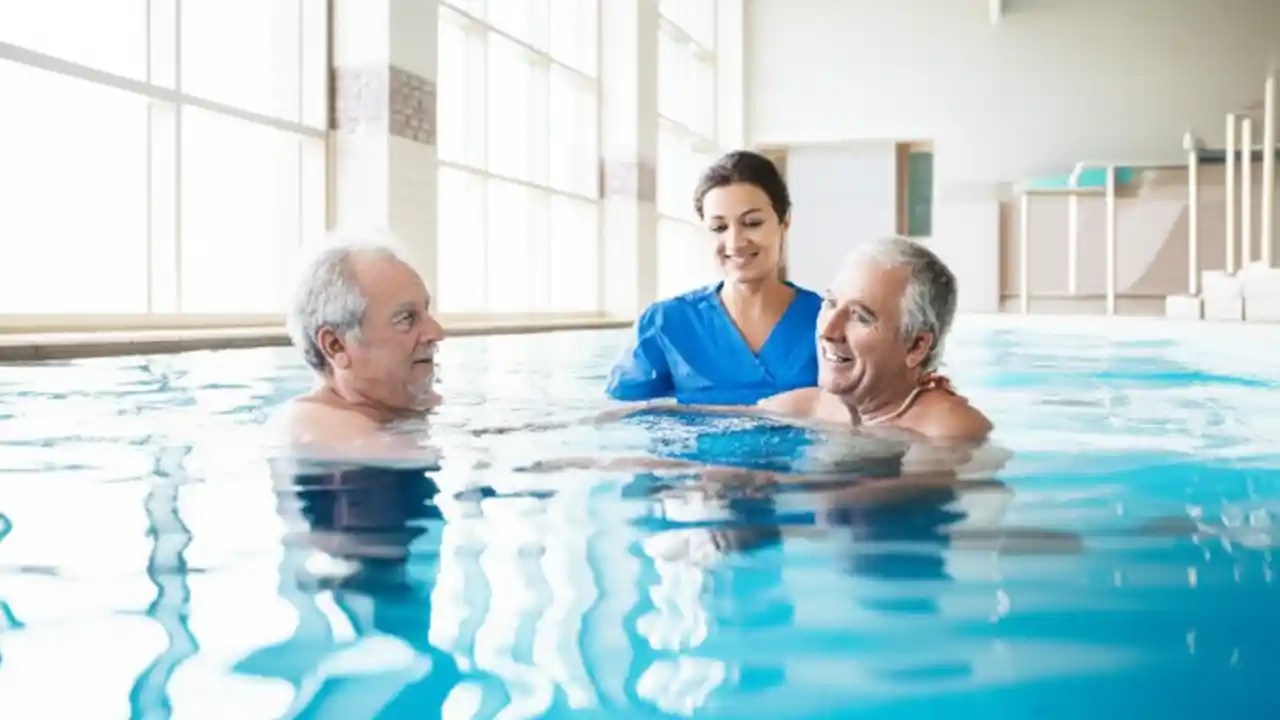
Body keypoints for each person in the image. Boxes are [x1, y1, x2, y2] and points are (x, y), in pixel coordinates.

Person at [606, 150, 822, 406]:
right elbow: (620, 417)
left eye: (752, 223)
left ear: (784, 221)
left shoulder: (827, 322)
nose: (735, 242)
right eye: (719, 228)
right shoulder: (666, 324)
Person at [760, 236, 992, 443]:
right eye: (830, 303)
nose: (829, 331)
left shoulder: (946, 430)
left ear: (915, 346)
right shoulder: (815, 407)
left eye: (860, 316)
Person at [272, 239, 446, 456]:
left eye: (426, 312)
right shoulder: (315, 425)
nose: (436, 332)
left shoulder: (400, 404)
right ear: (336, 346)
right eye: (406, 318)